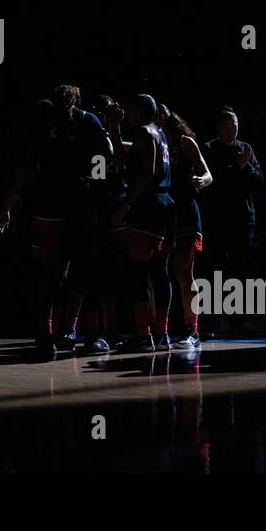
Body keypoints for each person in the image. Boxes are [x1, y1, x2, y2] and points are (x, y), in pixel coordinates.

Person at [0, 86, 112, 359]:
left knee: (59, 273)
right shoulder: (76, 121)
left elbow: (25, 166)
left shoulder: (67, 121)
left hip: (57, 204)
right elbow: (105, 154)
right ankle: (59, 331)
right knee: (65, 272)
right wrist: (96, 181)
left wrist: (7, 206)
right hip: (65, 204)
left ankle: (54, 331)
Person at [105, 94, 175, 352]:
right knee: (159, 272)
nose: (129, 114)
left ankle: (144, 335)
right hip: (166, 204)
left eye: (132, 110)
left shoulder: (146, 132)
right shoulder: (159, 133)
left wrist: (126, 205)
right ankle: (162, 334)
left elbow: (147, 171)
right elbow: (125, 162)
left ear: (143, 111)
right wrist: (113, 129)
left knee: (137, 274)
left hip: (150, 206)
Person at [201, 108, 263, 334]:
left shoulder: (246, 149)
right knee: (213, 269)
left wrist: (245, 166)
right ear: (219, 128)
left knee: (240, 271)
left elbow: (259, 182)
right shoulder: (209, 149)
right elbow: (214, 184)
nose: (232, 131)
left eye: (235, 126)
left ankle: (238, 320)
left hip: (243, 219)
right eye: (227, 126)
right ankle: (211, 321)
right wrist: (238, 168)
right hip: (217, 220)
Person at [157, 106, 211, 350]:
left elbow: (207, 173)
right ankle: (159, 330)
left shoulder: (185, 142)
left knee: (183, 273)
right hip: (163, 214)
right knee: (158, 274)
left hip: (186, 214)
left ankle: (193, 330)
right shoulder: (152, 141)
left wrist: (202, 180)